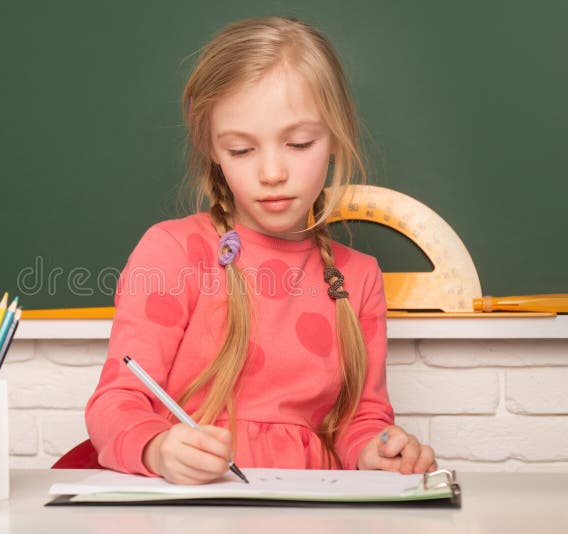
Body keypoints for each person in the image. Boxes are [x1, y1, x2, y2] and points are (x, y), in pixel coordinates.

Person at [85, 16, 436, 485]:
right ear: (211, 147)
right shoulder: (172, 252)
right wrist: (158, 448)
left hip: (312, 516)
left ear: (335, 135)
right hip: (195, 515)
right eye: (241, 150)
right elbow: (116, 403)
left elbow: (359, 421)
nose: (272, 172)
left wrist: (378, 450)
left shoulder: (359, 277)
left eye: (298, 143)